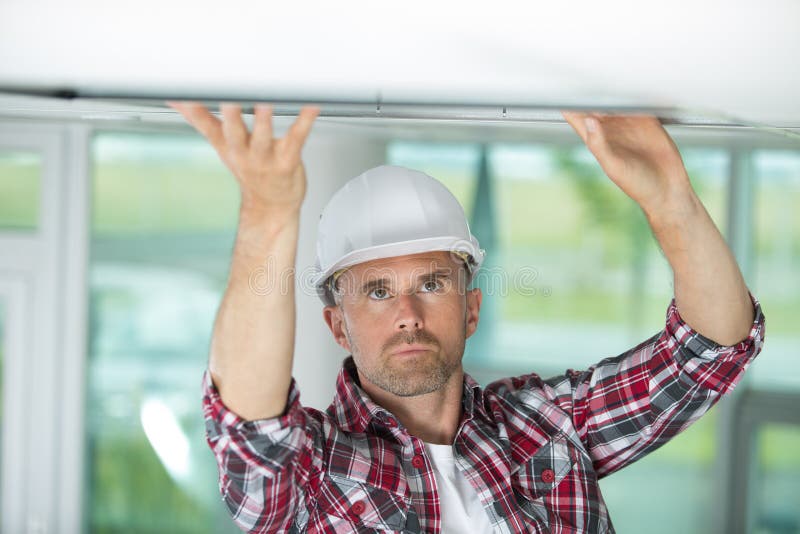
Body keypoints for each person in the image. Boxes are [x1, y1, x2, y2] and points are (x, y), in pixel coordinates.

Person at [170, 102, 765, 533]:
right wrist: (269, 214)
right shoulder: (314, 472)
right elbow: (249, 428)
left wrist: (669, 199)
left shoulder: (549, 427)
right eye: (377, 292)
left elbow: (711, 348)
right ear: (338, 326)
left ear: (473, 307)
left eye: (432, 284)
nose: (407, 314)